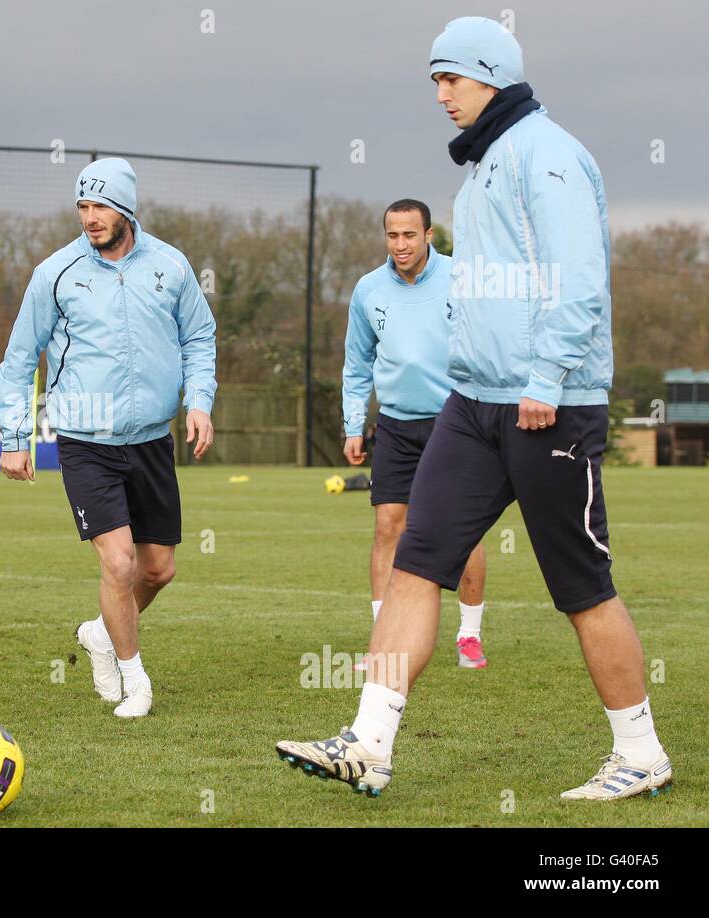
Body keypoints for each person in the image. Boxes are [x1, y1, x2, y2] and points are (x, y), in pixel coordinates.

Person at [277, 17, 671, 801]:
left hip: (545, 405)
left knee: (581, 585)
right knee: (416, 562)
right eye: (434, 80)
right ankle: (369, 743)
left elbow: (580, 279)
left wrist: (548, 376)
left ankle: (641, 754)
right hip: (475, 402)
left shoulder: (547, 155)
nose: (440, 94)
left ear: (491, 73)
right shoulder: (483, 165)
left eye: (450, 78)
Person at [0, 157, 217, 718]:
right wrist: (15, 435)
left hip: (150, 440)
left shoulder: (171, 265)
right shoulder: (56, 273)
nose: (91, 218)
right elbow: (21, 357)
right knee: (118, 565)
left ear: (127, 208)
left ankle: (100, 631)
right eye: (84, 207)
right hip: (84, 438)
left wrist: (199, 401)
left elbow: (200, 335)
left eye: (102, 206)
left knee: (157, 569)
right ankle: (133, 676)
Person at [342, 199, 488, 669]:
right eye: (392, 235)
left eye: (409, 235)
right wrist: (353, 425)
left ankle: (469, 635)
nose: (400, 244)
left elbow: (489, 342)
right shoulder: (368, 289)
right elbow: (356, 364)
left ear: (429, 235)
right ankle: (384, 639)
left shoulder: (462, 278)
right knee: (388, 528)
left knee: (464, 532)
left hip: (458, 422)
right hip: (397, 425)